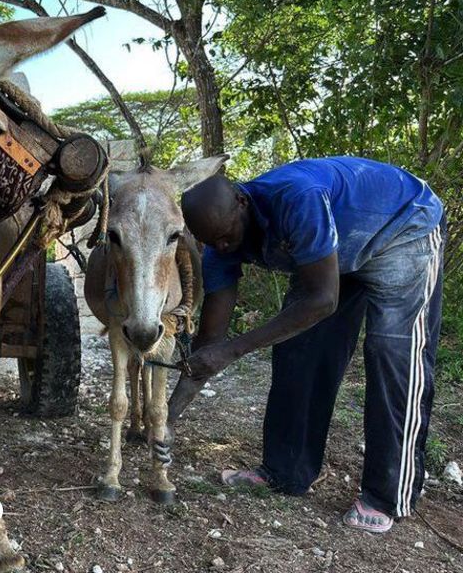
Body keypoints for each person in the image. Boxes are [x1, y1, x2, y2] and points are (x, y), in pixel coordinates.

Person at [170, 156, 444, 533]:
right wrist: (165, 419)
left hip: (402, 230)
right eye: (211, 241)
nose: (222, 244)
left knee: (392, 355)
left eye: (227, 234)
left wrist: (234, 350)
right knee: (298, 351)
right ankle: (285, 471)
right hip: (332, 254)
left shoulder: (298, 198)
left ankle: (387, 495)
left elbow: (322, 299)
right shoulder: (219, 246)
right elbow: (211, 340)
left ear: (242, 202)